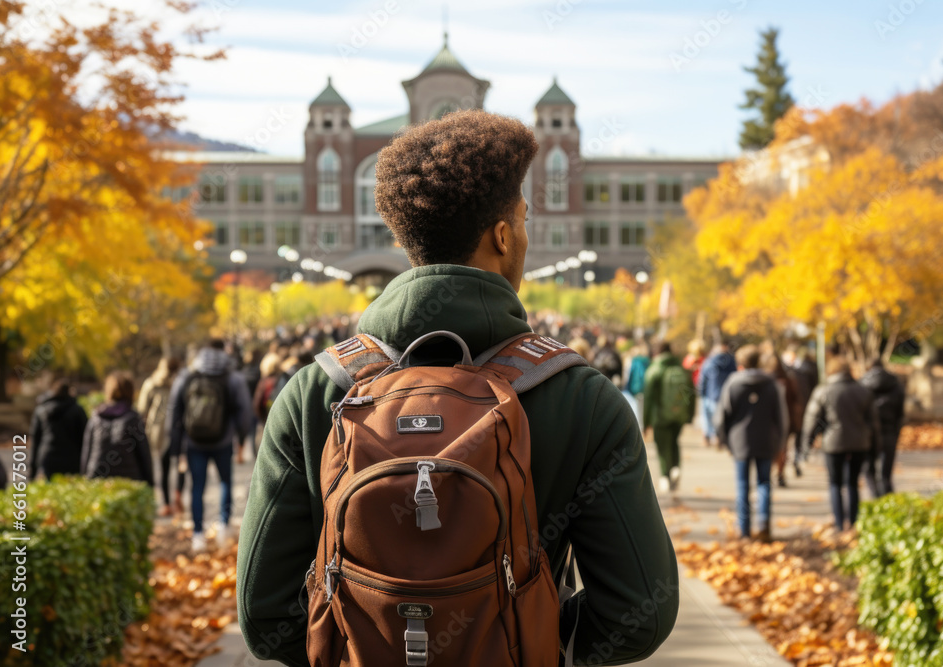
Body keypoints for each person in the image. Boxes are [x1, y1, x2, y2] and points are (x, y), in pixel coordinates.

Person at [237, 110, 678, 665]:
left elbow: (263, 615)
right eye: (521, 219)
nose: (523, 233)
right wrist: (534, 637)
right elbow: (642, 611)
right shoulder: (583, 398)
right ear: (501, 236)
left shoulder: (314, 393)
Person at [168, 339, 252, 552]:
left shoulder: (187, 375)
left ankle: (198, 534)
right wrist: (241, 439)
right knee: (225, 482)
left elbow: (174, 412)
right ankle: (223, 527)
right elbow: (244, 411)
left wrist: (176, 448)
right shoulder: (232, 376)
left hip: (194, 441)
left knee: (197, 487)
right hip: (223, 440)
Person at [714, 345, 787, 542]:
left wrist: (724, 440)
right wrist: (780, 443)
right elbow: (781, 417)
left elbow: (721, 417)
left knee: (742, 485)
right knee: (764, 483)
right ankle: (764, 525)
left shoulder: (733, 383)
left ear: (740, 364)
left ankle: (744, 529)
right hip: (766, 440)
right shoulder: (771, 384)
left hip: (740, 442)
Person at [801, 357, 880, 531]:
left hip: (833, 443)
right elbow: (873, 423)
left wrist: (807, 443)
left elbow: (812, 420)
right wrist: (875, 445)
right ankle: (853, 522)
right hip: (859, 443)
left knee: (835, 483)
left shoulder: (823, 391)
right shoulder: (863, 391)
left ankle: (838, 523)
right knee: (852, 483)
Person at [81, 372, 154, 485]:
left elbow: (87, 452)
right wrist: (150, 482)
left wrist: (85, 478)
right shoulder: (133, 418)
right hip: (128, 480)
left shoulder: (96, 417)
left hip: (97, 478)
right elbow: (144, 455)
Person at [643, 342, 695, 493]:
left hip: (660, 416)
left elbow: (648, 399)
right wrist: (689, 416)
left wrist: (645, 423)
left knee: (661, 445)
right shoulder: (682, 369)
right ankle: (676, 468)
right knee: (674, 442)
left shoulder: (654, 370)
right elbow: (691, 395)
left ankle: (665, 475)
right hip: (679, 415)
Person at [137, 357, 182, 515]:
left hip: (155, 432)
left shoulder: (151, 383)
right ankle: (177, 500)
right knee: (176, 467)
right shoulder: (180, 383)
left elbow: (142, 409)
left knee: (155, 468)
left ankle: (164, 504)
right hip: (176, 431)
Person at [860, 359, 905, 496]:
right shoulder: (896, 385)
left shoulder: (861, 385)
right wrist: (896, 433)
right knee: (886, 474)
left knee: (869, 470)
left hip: (868, 434)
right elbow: (900, 414)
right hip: (889, 432)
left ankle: (875, 496)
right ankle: (888, 502)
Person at [29, 378, 88, 480]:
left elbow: (35, 440)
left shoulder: (41, 410)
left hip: (48, 458)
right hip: (72, 459)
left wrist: (32, 471)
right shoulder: (77, 410)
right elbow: (84, 439)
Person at [761, 353, 800, 488]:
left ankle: (772, 472)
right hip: (785, 419)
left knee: (771, 447)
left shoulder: (765, 382)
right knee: (783, 447)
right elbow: (796, 400)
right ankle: (779, 473)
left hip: (769, 420)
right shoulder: (787, 380)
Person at [784, 345, 818, 477]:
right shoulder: (803, 373)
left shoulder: (801, 373)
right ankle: (794, 463)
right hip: (799, 411)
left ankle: (793, 463)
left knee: (792, 439)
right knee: (797, 439)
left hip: (796, 411)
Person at [697, 340, 737, 448]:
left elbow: (702, 380)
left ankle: (707, 437)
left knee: (707, 417)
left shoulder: (709, 362)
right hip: (726, 395)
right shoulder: (732, 362)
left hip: (709, 394)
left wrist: (700, 392)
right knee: (721, 418)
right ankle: (718, 437)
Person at [237, 347, 265, 463]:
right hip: (255, 403)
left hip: (244, 404)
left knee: (242, 430)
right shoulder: (259, 371)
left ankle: (240, 454)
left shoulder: (243, 372)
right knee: (254, 430)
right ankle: (255, 453)